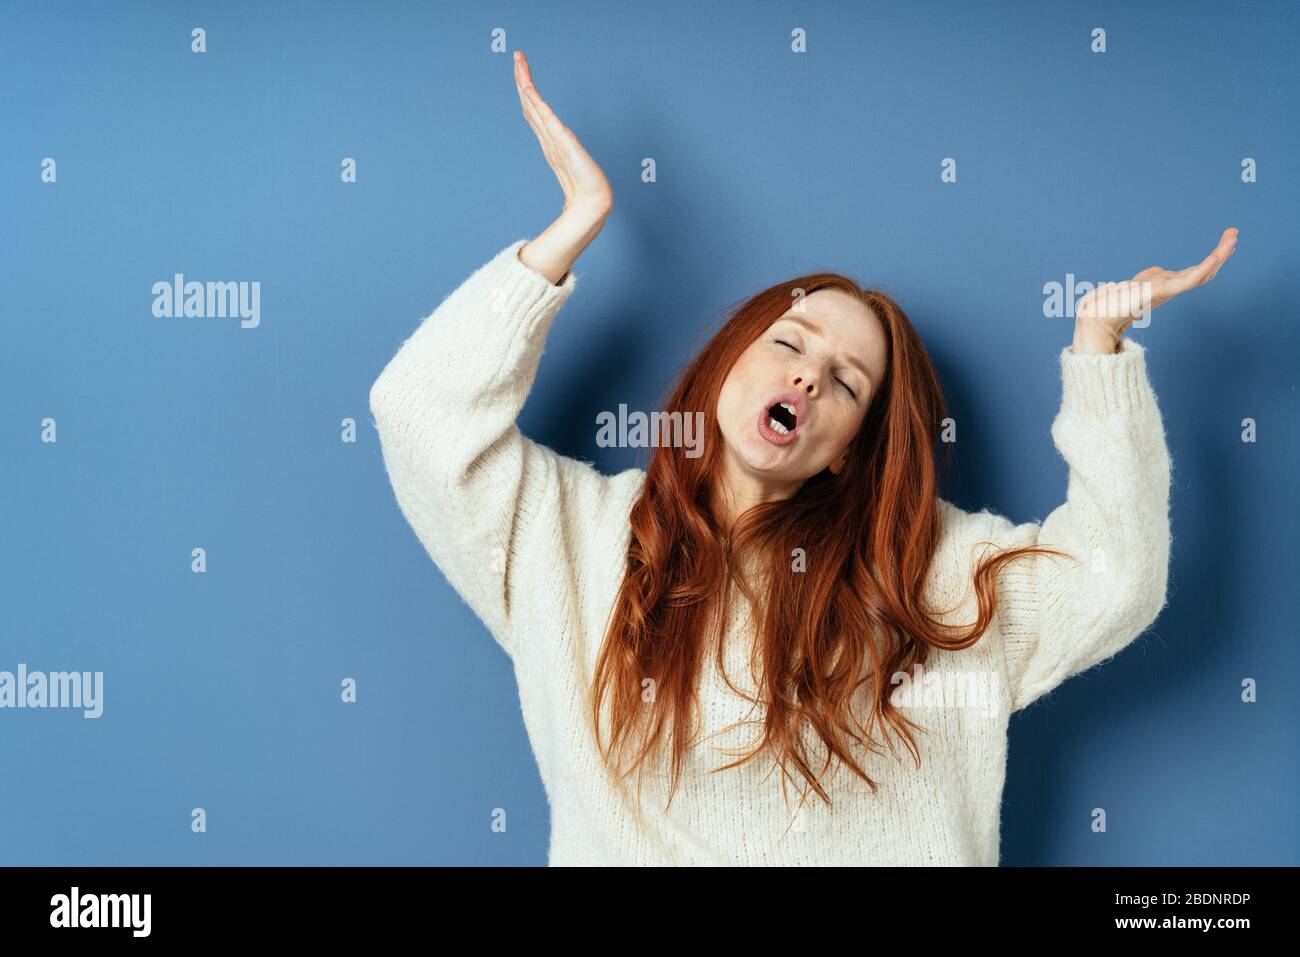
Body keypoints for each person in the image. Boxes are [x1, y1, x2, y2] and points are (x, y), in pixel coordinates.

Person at [369, 50, 1237, 865]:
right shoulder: (570, 537)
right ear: (727, 365)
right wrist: (568, 232)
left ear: (843, 454)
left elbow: (1116, 576)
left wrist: (1099, 354)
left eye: (848, 383)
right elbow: (419, 416)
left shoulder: (926, 575)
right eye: (790, 340)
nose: (809, 375)